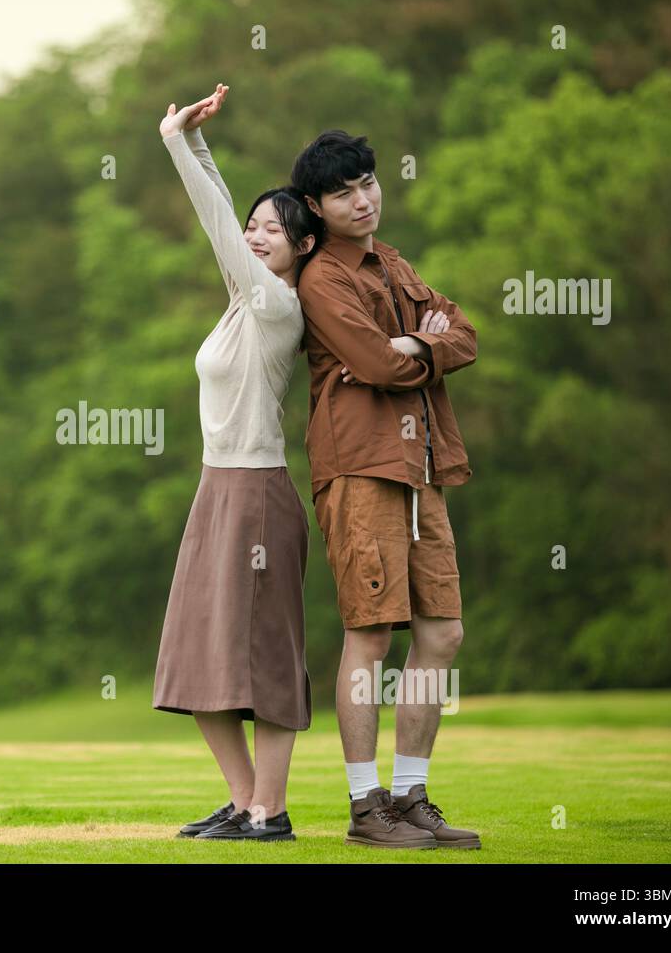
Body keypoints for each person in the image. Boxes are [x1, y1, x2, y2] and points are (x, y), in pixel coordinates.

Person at [291, 129, 482, 848]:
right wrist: (407, 347)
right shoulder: (324, 279)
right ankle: (363, 806)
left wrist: (418, 345)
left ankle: (409, 796)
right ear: (317, 205)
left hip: (423, 465)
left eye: (368, 182)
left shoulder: (393, 263)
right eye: (343, 192)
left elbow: (464, 335)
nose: (363, 198)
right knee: (369, 635)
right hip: (359, 467)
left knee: (442, 631)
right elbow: (373, 362)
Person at [152, 84, 322, 842]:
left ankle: (272, 811)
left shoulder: (279, 308)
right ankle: (246, 798)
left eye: (273, 232)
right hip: (214, 488)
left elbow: (217, 224)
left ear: (302, 249)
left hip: (257, 491)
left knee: (265, 660)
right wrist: (194, 140)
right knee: (199, 657)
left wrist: (171, 143)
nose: (255, 238)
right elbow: (226, 216)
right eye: (252, 227)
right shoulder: (239, 299)